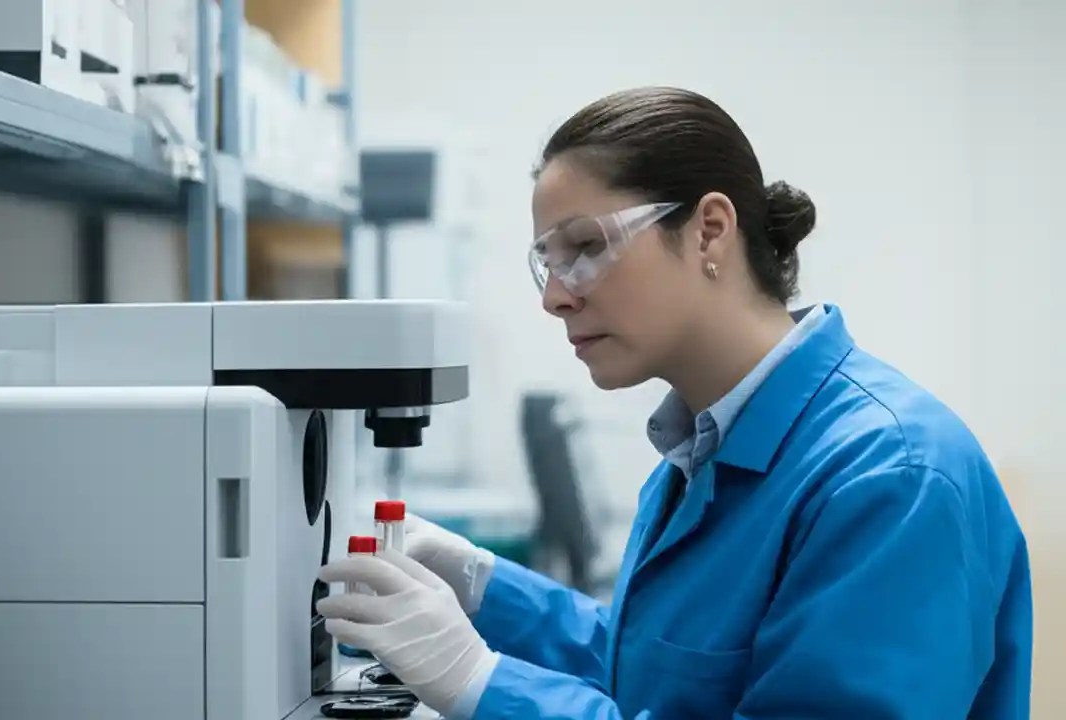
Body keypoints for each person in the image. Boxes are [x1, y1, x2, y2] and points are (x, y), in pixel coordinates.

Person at [317, 86, 1033, 719]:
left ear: (709, 231)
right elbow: (662, 676)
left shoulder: (889, 477)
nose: (554, 295)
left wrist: (480, 681)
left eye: (586, 246)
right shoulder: (699, 452)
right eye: (547, 259)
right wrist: (482, 586)